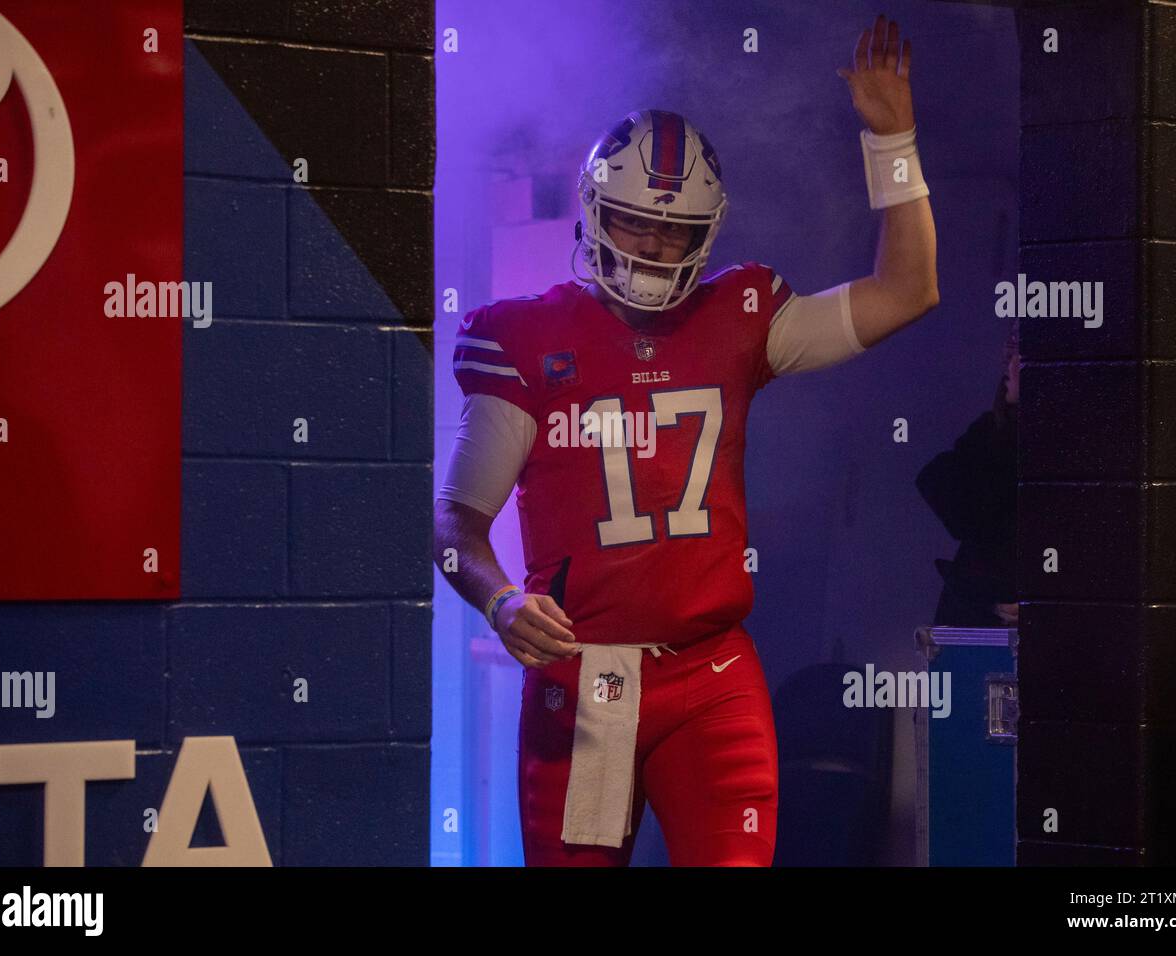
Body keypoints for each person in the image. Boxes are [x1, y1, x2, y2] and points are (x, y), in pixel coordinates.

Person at [434, 14, 939, 866]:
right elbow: (455, 524)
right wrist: (499, 600)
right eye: (636, 223)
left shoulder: (737, 314)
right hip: (585, 680)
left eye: (674, 229)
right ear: (596, 213)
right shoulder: (526, 341)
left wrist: (894, 141)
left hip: (711, 677)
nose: (658, 244)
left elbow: (908, 290)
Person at [915, 322, 1018, 628]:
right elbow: (937, 484)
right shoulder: (989, 433)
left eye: (1019, 354)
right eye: (1009, 353)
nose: (1009, 367)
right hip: (979, 622)